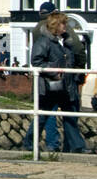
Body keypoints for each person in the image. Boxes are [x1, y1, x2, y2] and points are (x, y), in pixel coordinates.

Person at [32, 11, 86, 153]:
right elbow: (36, 61)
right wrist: (54, 72)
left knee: (69, 115)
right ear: (56, 25)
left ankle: (77, 146)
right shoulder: (44, 41)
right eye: (64, 23)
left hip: (66, 85)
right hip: (51, 86)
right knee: (42, 116)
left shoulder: (66, 42)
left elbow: (71, 60)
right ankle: (29, 143)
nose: (66, 27)